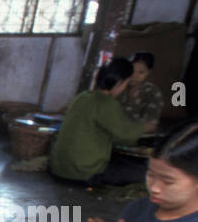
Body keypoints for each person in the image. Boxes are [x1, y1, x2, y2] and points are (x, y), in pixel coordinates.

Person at [50, 58, 156, 186]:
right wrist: (144, 127)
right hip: (83, 173)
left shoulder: (82, 97)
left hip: (59, 169)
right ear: (119, 83)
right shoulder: (107, 103)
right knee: (144, 171)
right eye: (126, 84)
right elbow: (124, 136)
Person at [120, 51, 163, 128]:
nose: (134, 76)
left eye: (141, 72)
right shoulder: (119, 87)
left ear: (149, 72)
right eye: (131, 70)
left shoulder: (151, 92)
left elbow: (150, 126)